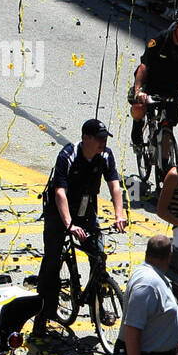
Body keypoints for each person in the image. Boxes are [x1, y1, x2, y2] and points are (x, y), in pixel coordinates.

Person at [33, 119, 128, 339]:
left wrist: (119, 214)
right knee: (52, 262)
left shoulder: (105, 155)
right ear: (86, 138)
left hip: (86, 210)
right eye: (99, 138)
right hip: (60, 213)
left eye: (105, 138)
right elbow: (59, 194)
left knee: (99, 256)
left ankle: (99, 305)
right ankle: (42, 315)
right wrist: (69, 225)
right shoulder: (68, 156)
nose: (103, 142)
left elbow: (114, 184)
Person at [130, 9, 178, 164]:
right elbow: (143, 67)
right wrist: (139, 90)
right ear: (177, 26)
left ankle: (164, 165)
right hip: (150, 84)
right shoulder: (160, 40)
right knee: (139, 106)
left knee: (168, 126)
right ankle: (137, 129)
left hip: (174, 88)